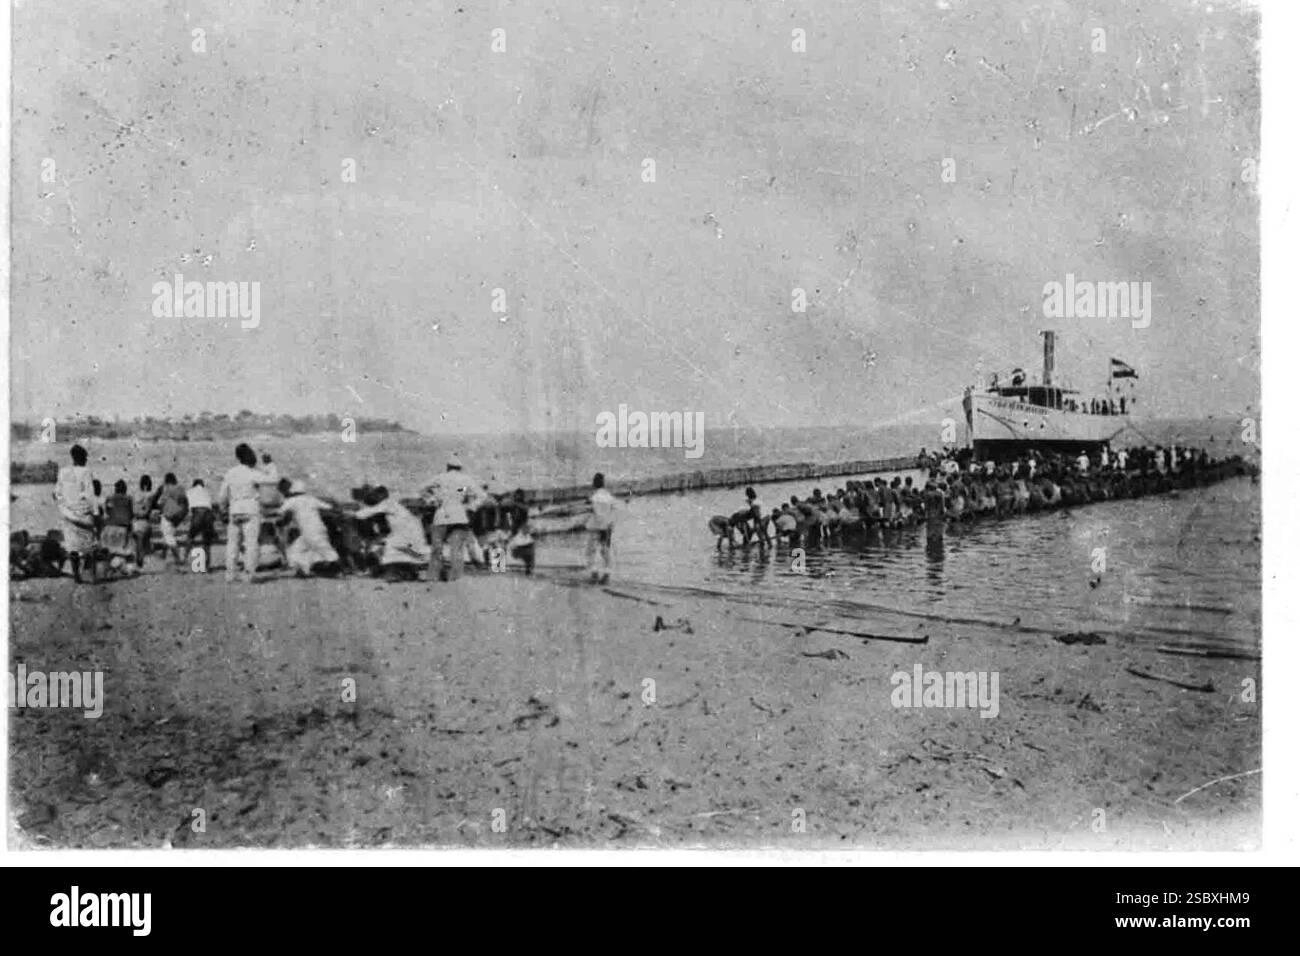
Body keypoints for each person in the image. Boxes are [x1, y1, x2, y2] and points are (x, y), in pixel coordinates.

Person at [422, 454, 483, 582]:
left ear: (448, 467)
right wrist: (470, 506)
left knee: (436, 549)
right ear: (460, 468)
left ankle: (433, 576)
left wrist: (431, 500)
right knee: (457, 550)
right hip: (459, 515)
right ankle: (455, 577)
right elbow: (481, 495)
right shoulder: (465, 480)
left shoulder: (440, 478)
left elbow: (422, 489)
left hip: (441, 515)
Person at [355, 486, 431, 580]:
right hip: (412, 535)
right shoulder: (395, 506)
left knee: (391, 549)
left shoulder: (388, 503)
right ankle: (408, 571)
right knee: (399, 551)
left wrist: (353, 514)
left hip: (406, 536)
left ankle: (395, 573)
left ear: (381, 496)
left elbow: (366, 513)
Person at [219, 443, 265, 583]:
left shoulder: (230, 473)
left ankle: (230, 574)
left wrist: (223, 510)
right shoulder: (254, 472)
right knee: (251, 543)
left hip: (235, 510)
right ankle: (249, 574)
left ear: (237, 457)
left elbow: (222, 495)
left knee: (232, 544)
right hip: (251, 509)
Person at [53, 445, 96, 582]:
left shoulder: (63, 471)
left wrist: (64, 506)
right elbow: (90, 494)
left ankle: (76, 574)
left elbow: (57, 493)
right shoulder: (86, 471)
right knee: (89, 544)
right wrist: (94, 512)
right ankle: (87, 572)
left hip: (67, 513)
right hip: (83, 513)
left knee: (72, 546)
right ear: (83, 457)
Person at [278, 481, 339, 577]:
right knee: (295, 550)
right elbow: (330, 508)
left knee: (326, 552)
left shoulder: (291, 501)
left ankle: (335, 569)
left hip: (309, 532)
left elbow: (279, 513)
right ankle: (305, 569)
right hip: (316, 529)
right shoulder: (311, 499)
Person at [102, 479, 138, 575]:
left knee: (110, 550)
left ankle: (110, 568)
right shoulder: (128, 498)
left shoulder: (109, 498)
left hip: (109, 527)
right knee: (125, 551)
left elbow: (107, 511)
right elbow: (131, 513)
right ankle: (122, 568)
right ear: (125, 489)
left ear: (115, 489)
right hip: (123, 527)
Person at [586, 472, 617, 583]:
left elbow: (591, 509)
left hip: (595, 527)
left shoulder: (593, 497)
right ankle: (607, 574)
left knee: (591, 551)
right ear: (604, 484)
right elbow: (613, 512)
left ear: (594, 484)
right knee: (606, 551)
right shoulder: (610, 497)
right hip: (607, 527)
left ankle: (594, 573)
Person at [156, 473, 190, 567]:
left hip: (168, 515)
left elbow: (160, 502)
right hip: (178, 516)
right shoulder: (181, 488)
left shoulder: (166, 488)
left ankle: (178, 559)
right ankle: (163, 553)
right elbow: (185, 503)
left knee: (168, 536)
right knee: (169, 533)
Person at [503, 488, 536, 575]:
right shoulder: (513, 505)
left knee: (526, 549)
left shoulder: (520, 504)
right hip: (516, 528)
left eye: (519, 495)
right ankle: (498, 566)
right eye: (517, 495)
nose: (518, 496)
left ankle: (528, 568)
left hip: (521, 529)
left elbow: (526, 509)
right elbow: (505, 511)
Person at [187, 479, 215, 572]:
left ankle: (184, 560)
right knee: (206, 541)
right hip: (208, 514)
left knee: (190, 537)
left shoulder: (190, 491)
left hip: (197, 513)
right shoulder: (207, 491)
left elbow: (188, 507)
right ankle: (206, 566)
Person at [132, 475, 155, 567]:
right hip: (145, 522)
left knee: (138, 542)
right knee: (144, 540)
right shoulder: (150, 495)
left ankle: (139, 557)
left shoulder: (135, 494)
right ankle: (141, 557)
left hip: (135, 522)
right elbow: (148, 509)